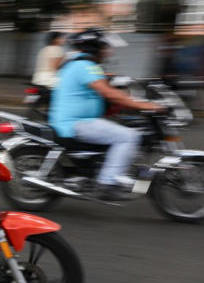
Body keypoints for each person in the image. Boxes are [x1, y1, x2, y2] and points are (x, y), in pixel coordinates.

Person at [49, 28, 165, 201]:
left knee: (122, 128)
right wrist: (145, 105)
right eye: (105, 47)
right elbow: (108, 93)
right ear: (94, 48)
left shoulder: (78, 63)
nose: (108, 51)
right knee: (128, 136)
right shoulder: (85, 65)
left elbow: (103, 81)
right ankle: (108, 182)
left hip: (74, 120)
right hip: (75, 123)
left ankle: (104, 171)